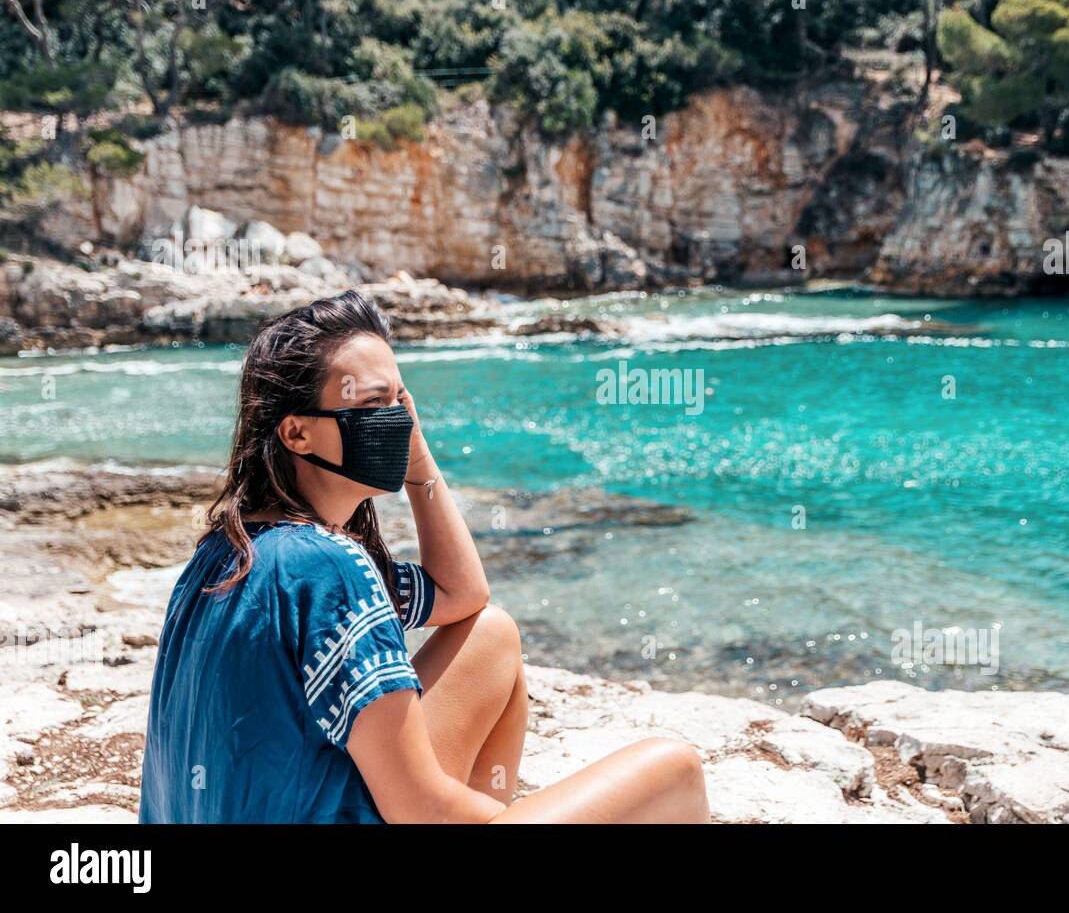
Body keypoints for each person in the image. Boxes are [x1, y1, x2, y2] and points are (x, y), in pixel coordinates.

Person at [139, 289, 709, 823]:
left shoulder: (226, 551)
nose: (397, 421)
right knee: (674, 767)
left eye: (399, 402)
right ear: (297, 433)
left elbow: (463, 595)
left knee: (491, 634)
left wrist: (417, 463)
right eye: (372, 404)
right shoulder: (329, 567)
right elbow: (416, 806)